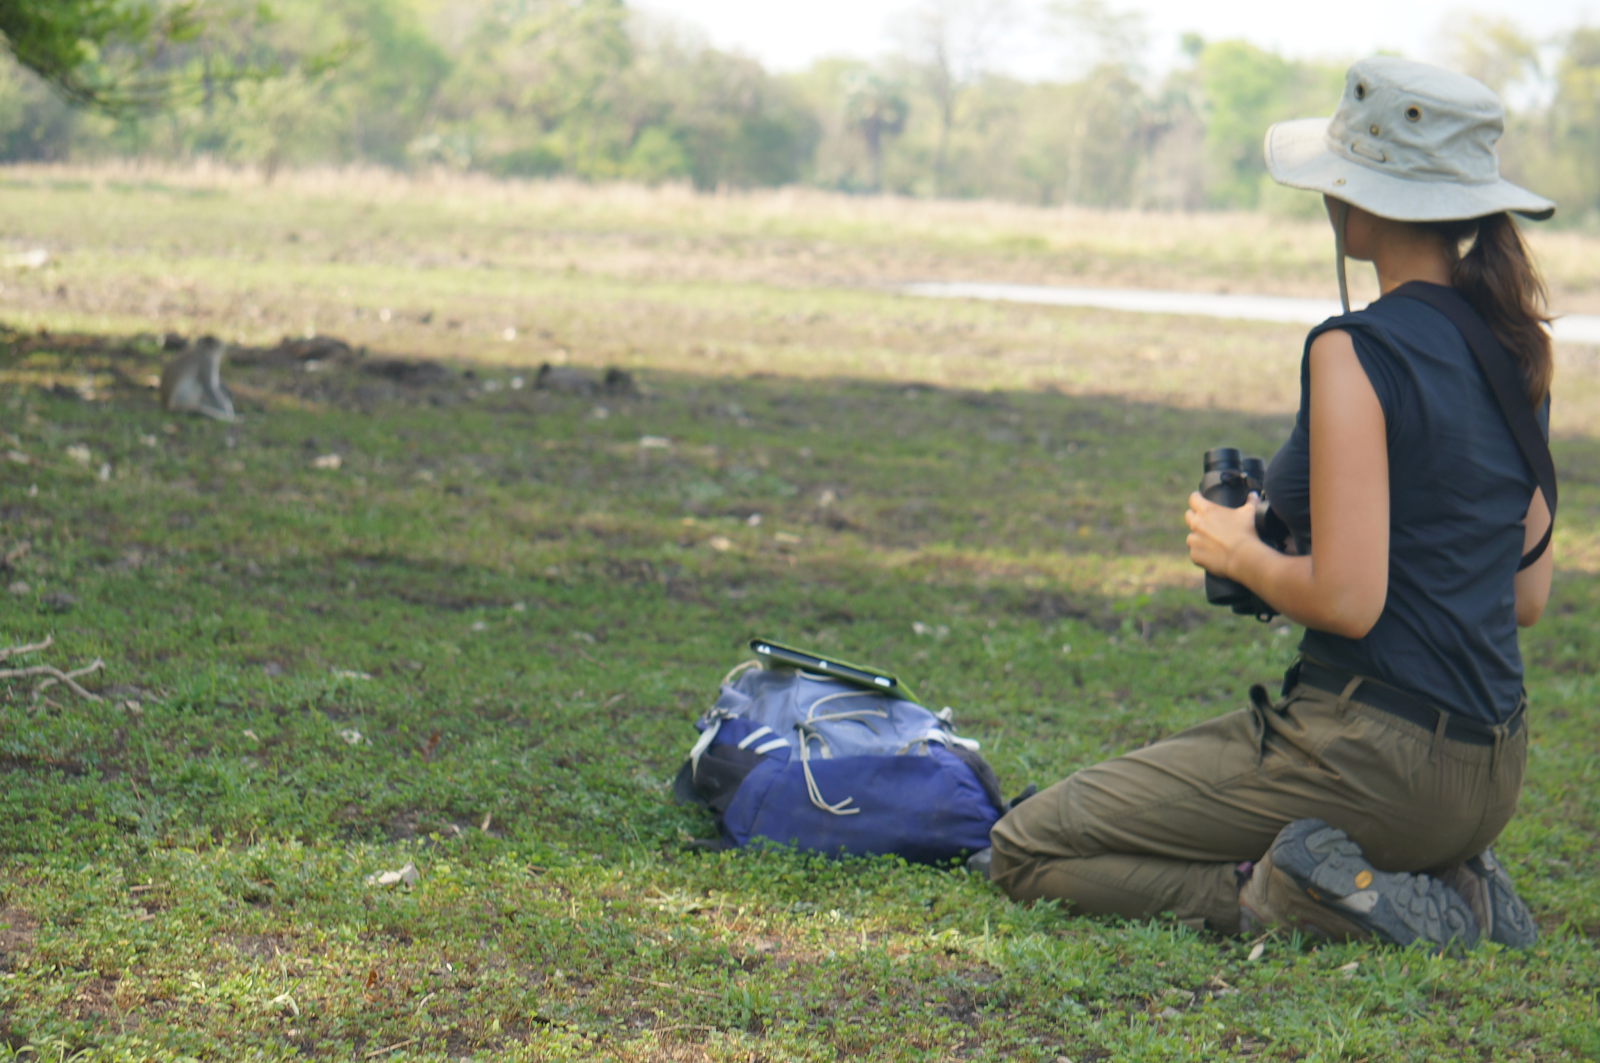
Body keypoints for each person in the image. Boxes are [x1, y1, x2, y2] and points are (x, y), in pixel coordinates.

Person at [981, 56, 1556, 950]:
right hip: (1490, 775)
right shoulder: (1516, 348)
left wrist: (1238, 549)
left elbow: (1348, 599)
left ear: (1356, 200)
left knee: (1026, 845)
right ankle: (1453, 888)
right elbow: (1522, 595)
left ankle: (1294, 896)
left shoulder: (1354, 351)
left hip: (1375, 762)